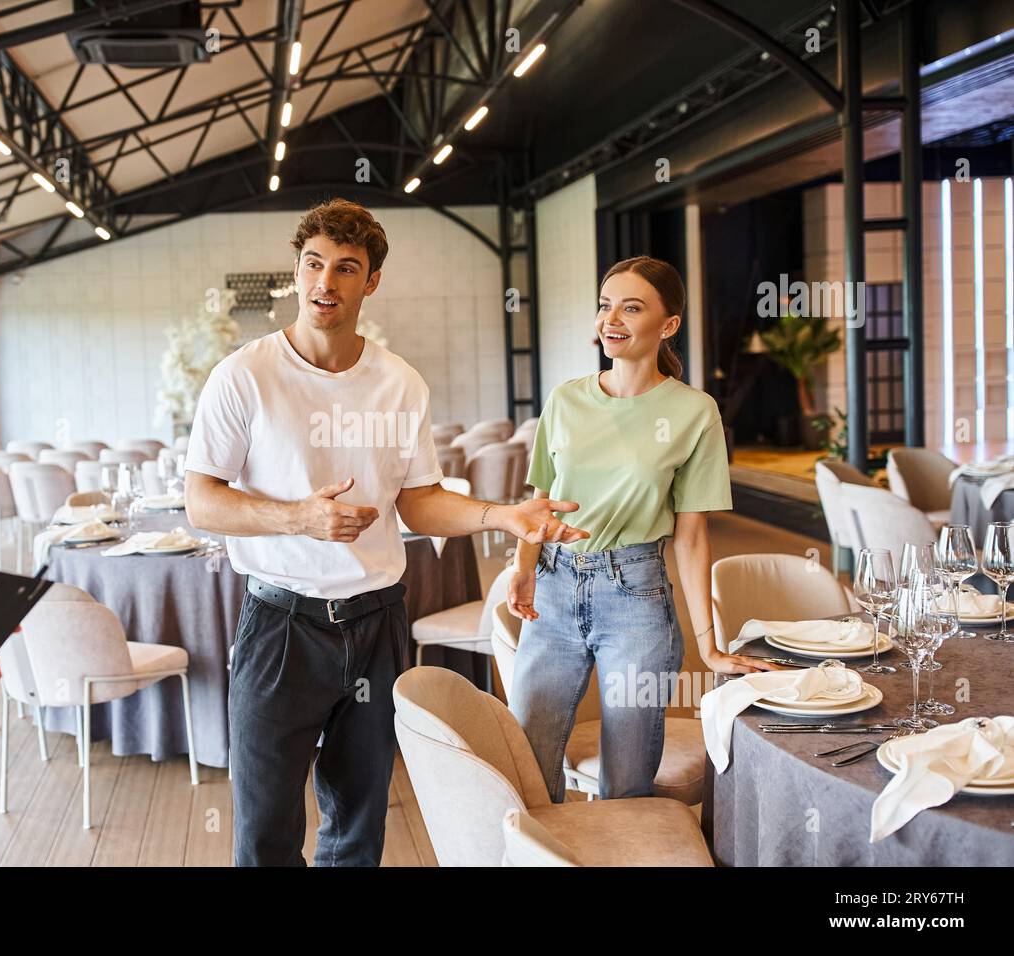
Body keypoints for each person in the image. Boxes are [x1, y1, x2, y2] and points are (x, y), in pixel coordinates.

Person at [184, 198, 584, 866]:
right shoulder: (243, 377)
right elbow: (201, 502)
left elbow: (420, 503)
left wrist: (502, 516)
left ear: (370, 282)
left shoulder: (398, 383)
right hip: (281, 626)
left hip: (377, 623)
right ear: (297, 270)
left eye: (346, 268)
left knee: (359, 825)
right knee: (265, 831)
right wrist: (299, 519)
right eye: (314, 264)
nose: (325, 282)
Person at [505, 255, 781, 804]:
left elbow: (692, 535)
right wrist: (522, 568)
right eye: (606, 306)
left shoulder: (694, 413)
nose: (613, 319)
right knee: (527, 767)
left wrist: (709, 643)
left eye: (632, 308)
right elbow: (539, 502)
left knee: (627, 781)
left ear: (669, 324)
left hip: (635, 597)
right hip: (554, 592)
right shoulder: (565, 400)